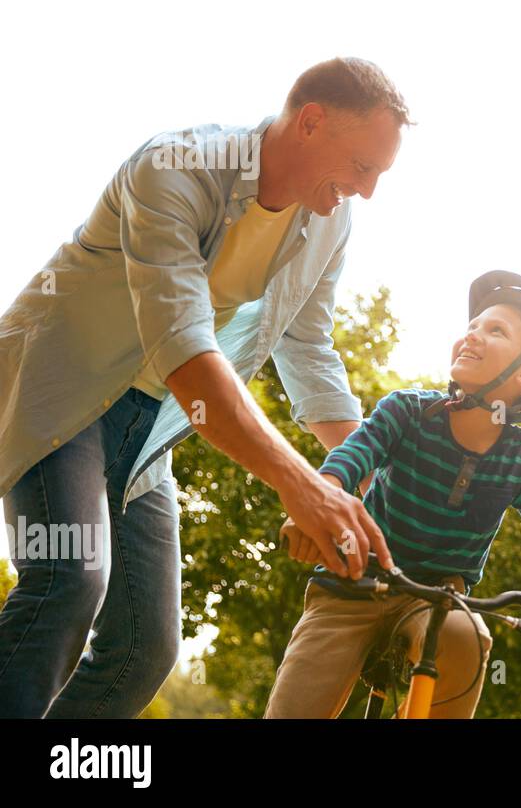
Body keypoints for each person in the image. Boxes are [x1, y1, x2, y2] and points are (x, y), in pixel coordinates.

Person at [0, 57, 408, 717]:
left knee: (146, 646)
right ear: (310, 122)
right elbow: (185, 353)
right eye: (362, 167)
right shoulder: (174, 169)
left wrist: (381, 486)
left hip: (151, 422)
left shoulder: (327, 221)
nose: (366, 190)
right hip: (66, 389)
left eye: (378, 175)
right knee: (69, 580)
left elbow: (308, 349)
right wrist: (302, 486)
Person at [265, 271, 521, 718]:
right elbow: (350, 459)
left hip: (440, 597)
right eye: (472, 326)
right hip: (353, 581)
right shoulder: (408, 410)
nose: (472, 336)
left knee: (465, 637)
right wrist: (316, 507)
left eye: (495, 331)